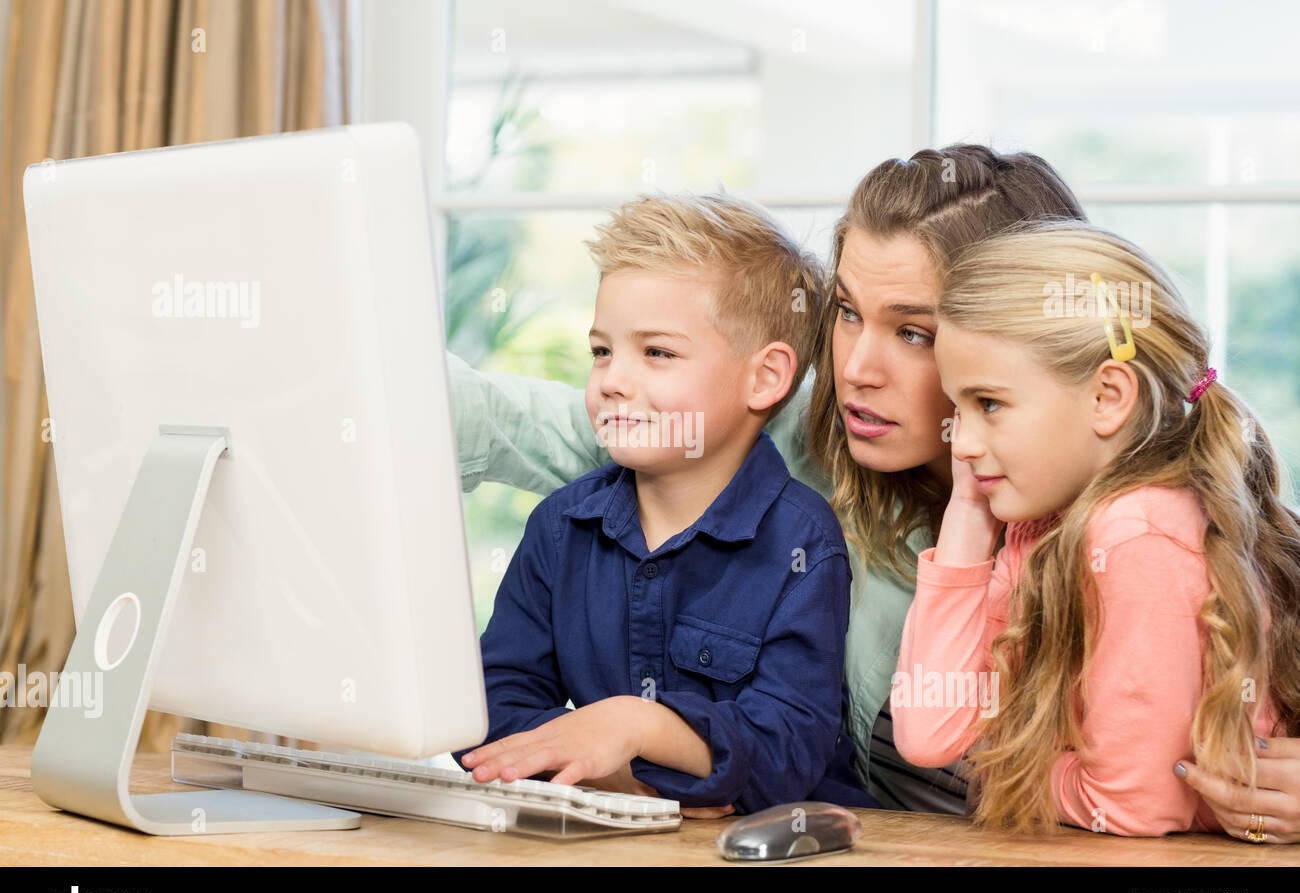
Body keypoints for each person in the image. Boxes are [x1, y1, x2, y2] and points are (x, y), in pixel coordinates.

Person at [447, 145, 1300, 842]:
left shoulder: (1132, 523)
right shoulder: (790, 440)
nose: (855, 368)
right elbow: (575, 425)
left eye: (914, 332)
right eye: (847, 312)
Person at [454, 193, 874, 814]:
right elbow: (496, 700)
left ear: (764, 378)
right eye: (602, 350)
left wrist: (640, 727)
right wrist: (614, 782)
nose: (612, 380)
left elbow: (788, 747)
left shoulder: (804, 543)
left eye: (657, 353)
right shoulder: (559, 527)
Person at [893, 221, 1300, 838]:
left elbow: (1136, 805)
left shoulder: (1134, 532)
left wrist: (1010, 765)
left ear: (1108, 396)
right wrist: (967, 519)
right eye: (956, 408)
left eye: (989, 404)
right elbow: (930, 733)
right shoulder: (1044, 525)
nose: (963, 442)